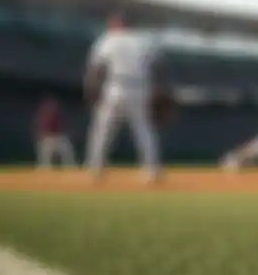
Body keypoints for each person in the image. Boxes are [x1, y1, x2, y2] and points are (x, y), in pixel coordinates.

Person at [84, 11, 163, 183]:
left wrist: (91, 91)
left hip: (115, 86)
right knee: (143, 130)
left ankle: (96, 170)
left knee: (103, 130)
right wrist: (158, 89)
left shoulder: (108, 39)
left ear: (118, 24)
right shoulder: (144, 40)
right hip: (140, 87)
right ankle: (152, 171)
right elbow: (157, 67)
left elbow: (97, 68)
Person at [34, 95, 76, 169]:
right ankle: (44, 171)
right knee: (44, 151)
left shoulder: (59, 115)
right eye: (50, 105)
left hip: (58, 138)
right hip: (47, 139)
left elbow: (65, 129)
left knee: (66, 145)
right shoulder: (44, 115)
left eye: (54, 105)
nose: (52, 107)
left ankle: (70, 169)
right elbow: (39, 131)